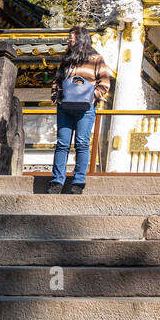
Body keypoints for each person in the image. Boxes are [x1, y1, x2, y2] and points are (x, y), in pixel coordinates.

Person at [49, 25, 112, 194]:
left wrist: (93, 97)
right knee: (62, 143)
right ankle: (57, 180)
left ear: (80, 39)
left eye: (71, 37)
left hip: (85, 108)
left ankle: (78, 181)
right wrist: (56, 95)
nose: (68, 40)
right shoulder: (67, 59)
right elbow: (57, 80)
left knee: (82, 143)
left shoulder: (96, 58)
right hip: (65, 107)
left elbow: (105, 82)